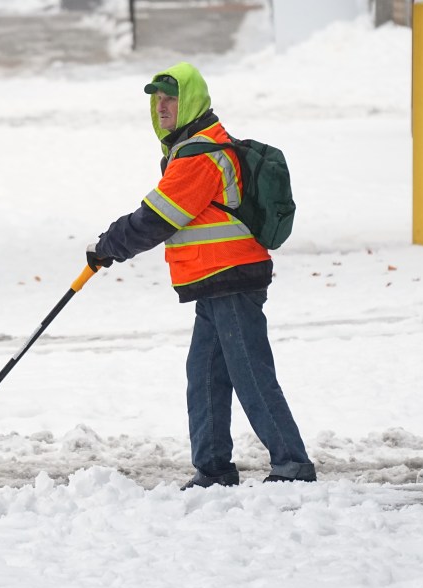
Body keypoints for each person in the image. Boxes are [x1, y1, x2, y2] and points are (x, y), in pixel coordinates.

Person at [86, 62, 316, 489]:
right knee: (205, 374)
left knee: (250, 372)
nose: (162, 107)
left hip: (233, 276)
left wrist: (109, 244)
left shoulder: (200, 155)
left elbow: (157, 218)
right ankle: (213, 469)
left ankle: (292, 465)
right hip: (214, 281)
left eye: (170, 98)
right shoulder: (192, 148)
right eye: (157, 99)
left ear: (190, 100)